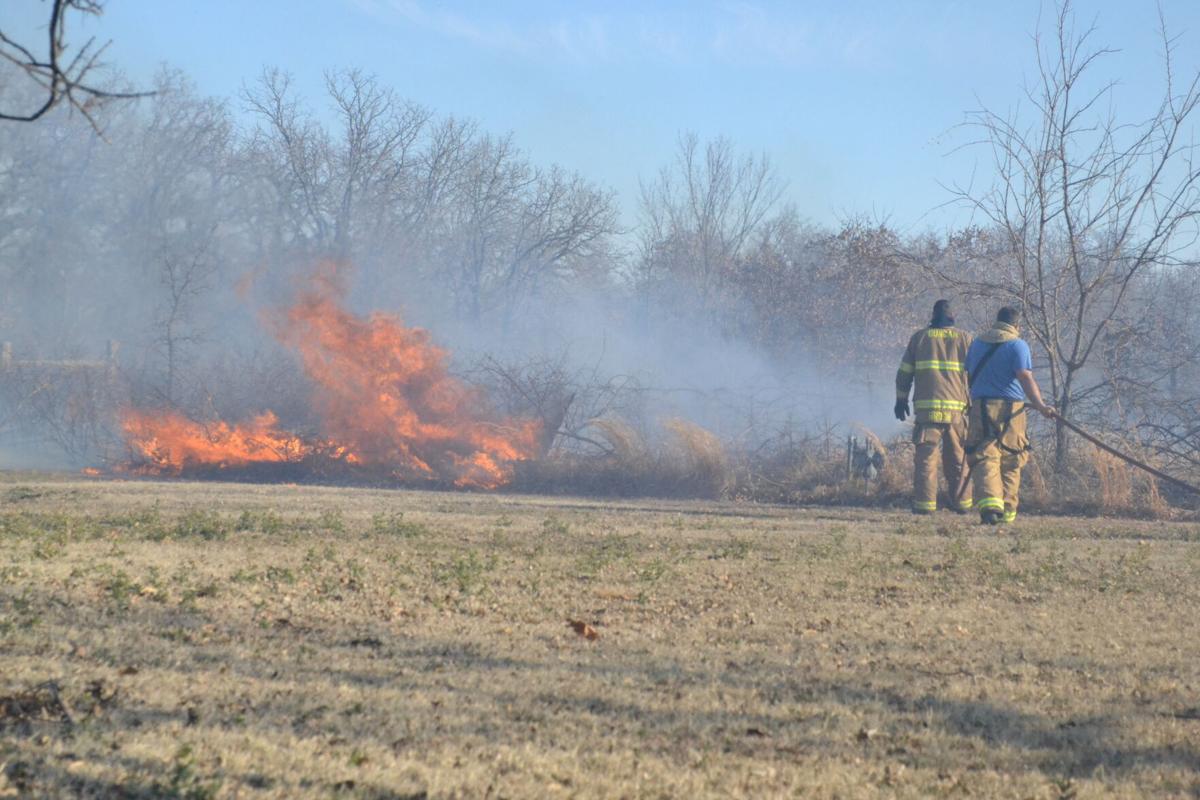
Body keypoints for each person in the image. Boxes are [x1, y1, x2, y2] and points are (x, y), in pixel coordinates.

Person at [964, 306, 1055, 525]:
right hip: (1011, 411)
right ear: (1016, 325)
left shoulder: (977, 344)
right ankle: (1006, 510)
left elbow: (967, 375)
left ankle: (990, 506)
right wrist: (1041, 406)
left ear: (997, 321)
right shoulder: (1018, 345)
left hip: (981, 408)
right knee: (1012, 458)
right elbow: (1025, 377)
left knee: (985, 454)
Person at [895, 299, 973, 515]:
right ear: (952, 316)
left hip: (927, 412)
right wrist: (976, 404)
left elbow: (904, 373)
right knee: (958, 459)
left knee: (926, 460)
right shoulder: (965, 339)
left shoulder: (919, 338)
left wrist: (901, 400)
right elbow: (976, 374)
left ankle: (924, 506)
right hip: (956, 412)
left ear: (933, 315)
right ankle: (962, 504)